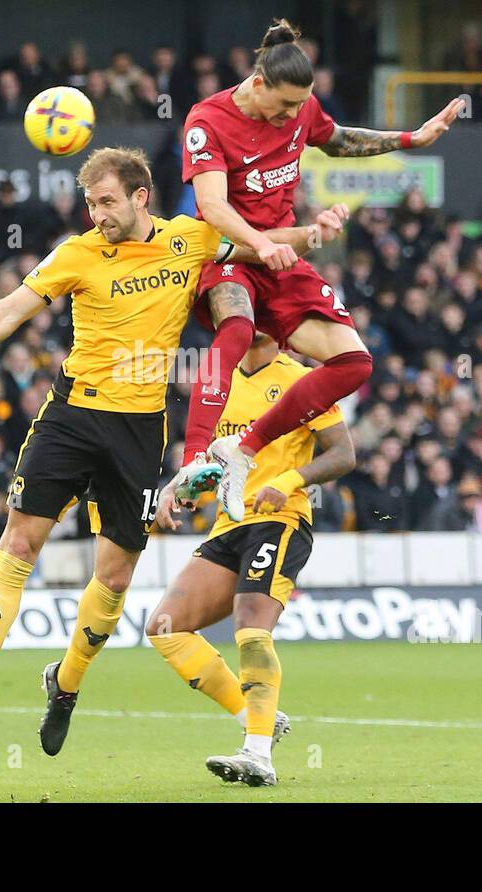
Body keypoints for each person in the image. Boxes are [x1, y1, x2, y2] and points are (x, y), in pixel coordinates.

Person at [0, 146, 339, 756]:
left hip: (139, 433)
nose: (96, 213)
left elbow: (262, 243)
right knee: (20, 542)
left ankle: (67, 686)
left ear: (139, 197)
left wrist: (313, 232)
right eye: (90, 203)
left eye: (106, 202)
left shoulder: (190, 241)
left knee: (115, 575)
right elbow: (10, 312)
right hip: (73, 416)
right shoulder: (78, 253)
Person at [177, 18, 462, 522]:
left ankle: (241, 451)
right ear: (258, 83)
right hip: (231, 253)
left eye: (299, 106)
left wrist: (411, 139)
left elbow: (338, 139)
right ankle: (195, 457)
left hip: (282, 255)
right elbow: (214, 208)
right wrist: (261, 245)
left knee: (355, 363)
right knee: (238, 328)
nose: (293, 116)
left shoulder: (300, 107)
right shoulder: (208, 120)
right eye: (285, 105)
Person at [148, 333, 356, 786]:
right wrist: (178, 491)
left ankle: (258, 755)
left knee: (250, 626)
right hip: (228, 524)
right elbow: (211, 466)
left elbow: (344, 453)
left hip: (279, 519)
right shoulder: (217, 386)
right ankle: (257, 717)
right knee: (165, 626)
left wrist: (291, 479)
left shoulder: (303, 380)